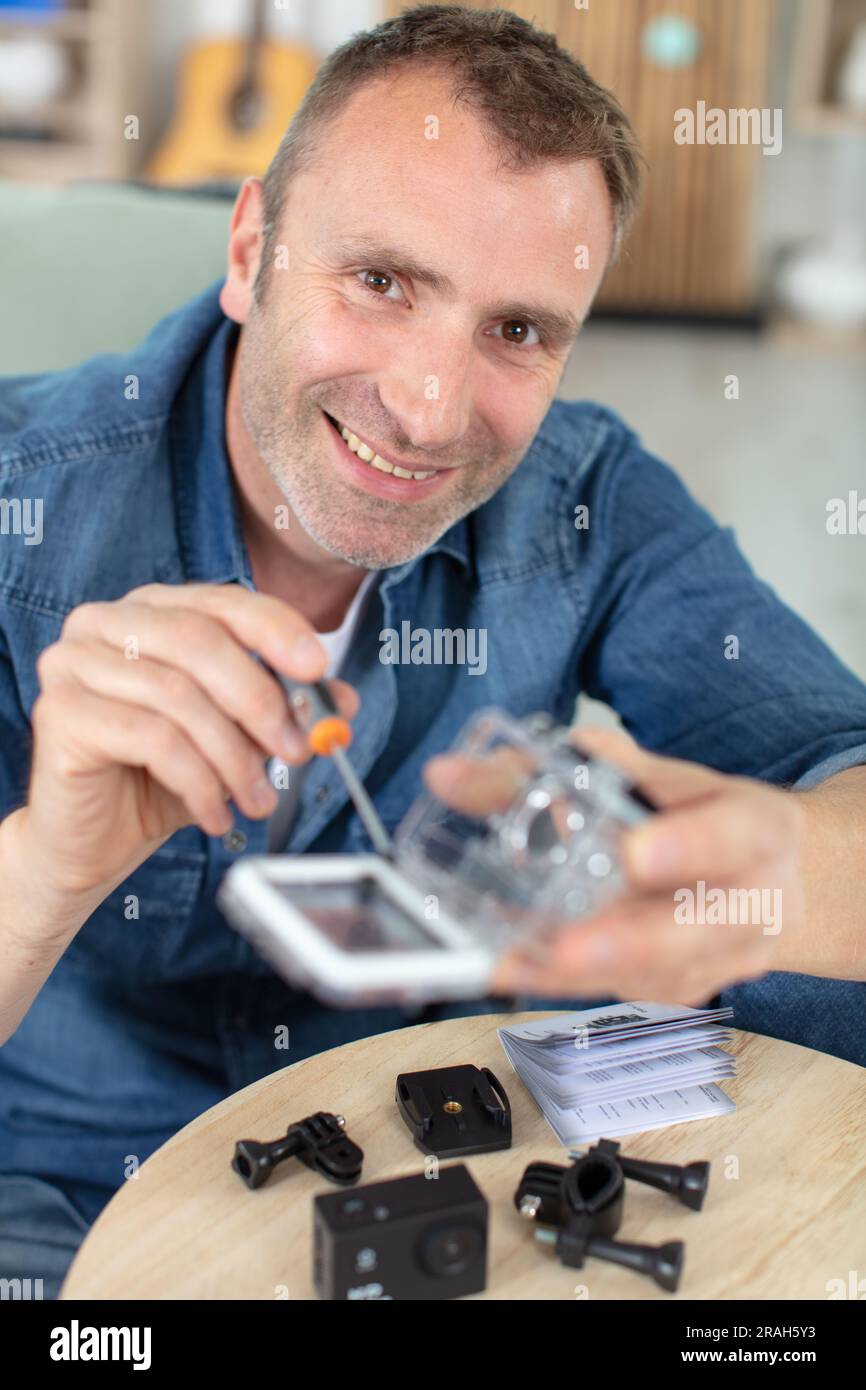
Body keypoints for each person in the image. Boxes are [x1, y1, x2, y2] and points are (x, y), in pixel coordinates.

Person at [1, 5, 864, 1300]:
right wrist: (44, 867)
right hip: (62, 1191)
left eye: (516, 331)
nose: (425, 409)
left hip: (423, 1147)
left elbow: (834, 767)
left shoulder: (586, 500)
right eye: (381, 280)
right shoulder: (24, 501)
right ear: (251, 248)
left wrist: (780, 872)